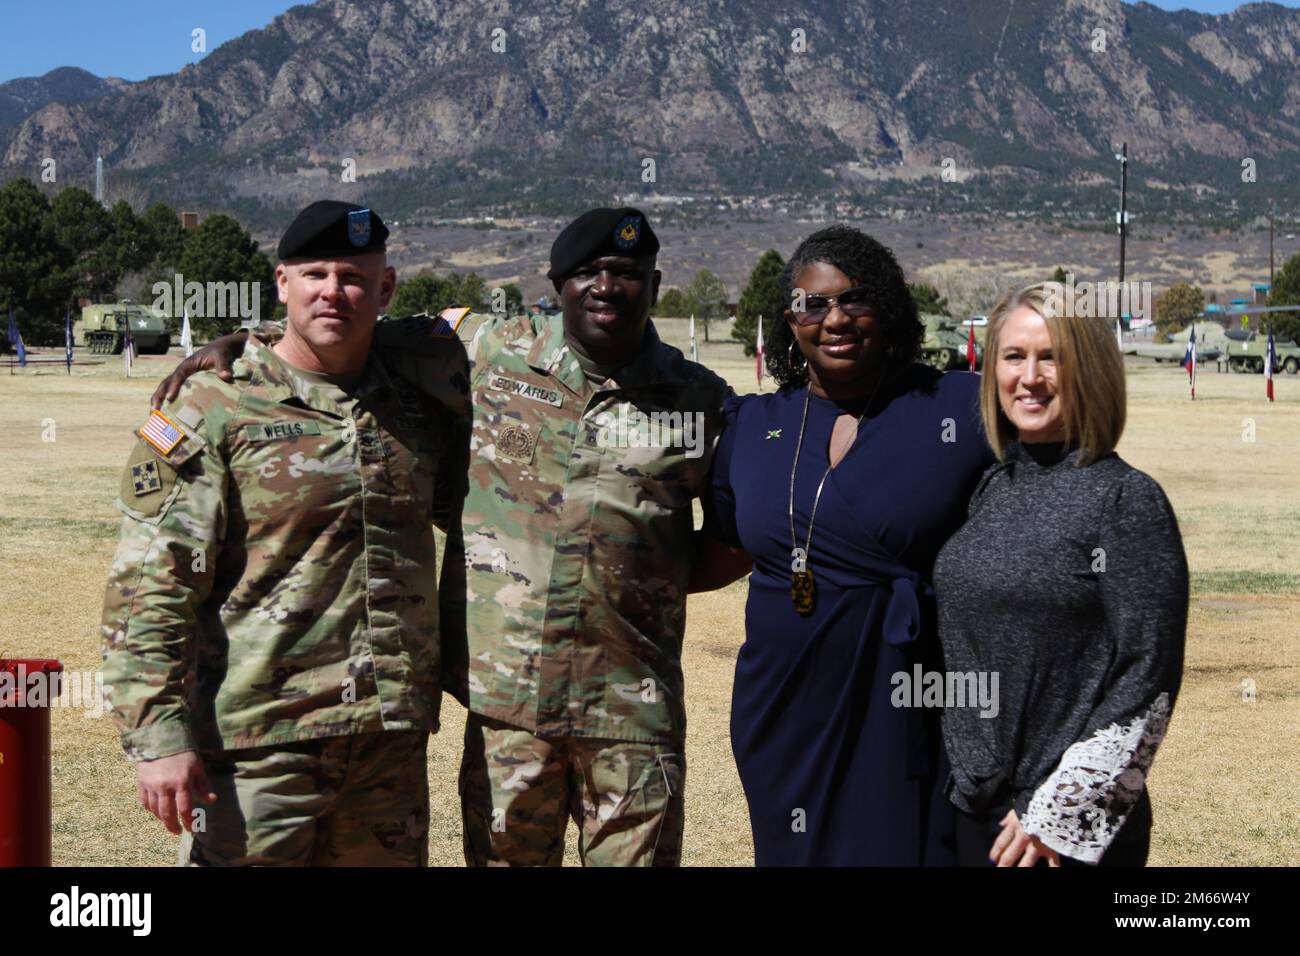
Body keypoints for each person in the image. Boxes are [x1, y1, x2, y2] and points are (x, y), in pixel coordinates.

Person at [150, 206, 751, 866]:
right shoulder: (487, 350)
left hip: (632, 712)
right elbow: (350, 326)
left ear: (655, 284)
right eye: (588, 273)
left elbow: (731, 536)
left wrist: (650, 581)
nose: (607, 286)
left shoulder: (701, 402)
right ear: (558, 285)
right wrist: (248, 340)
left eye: (627, 273)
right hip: (508, 713)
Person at [102, 200, 470, 866]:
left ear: (385, 288)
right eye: (316, 274)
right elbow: (150, 585)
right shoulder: (216, 402)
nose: (335, 291)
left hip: (388, 743)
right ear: (282, 284)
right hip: (258, 748)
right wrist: (159, 735)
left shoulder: (414, 400)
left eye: (355, 277)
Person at [702, 225, 996, 864]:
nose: (834, 318)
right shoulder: (751, 427)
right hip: (783, 711)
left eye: (854, 300)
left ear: (885, 308)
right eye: (813, 304)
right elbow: (722, 550)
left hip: (911, 697)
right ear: (790, 320)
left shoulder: (958, 407)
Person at [932, 282, 1187, 867]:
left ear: (1091, 370)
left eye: (1053, 357)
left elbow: (1149, 676)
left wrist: (1058, 814)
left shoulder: (1127, 500)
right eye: (1014, 356)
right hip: (977, 809)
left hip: (1058, 834)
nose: (1030, 376)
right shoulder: (993, 487)